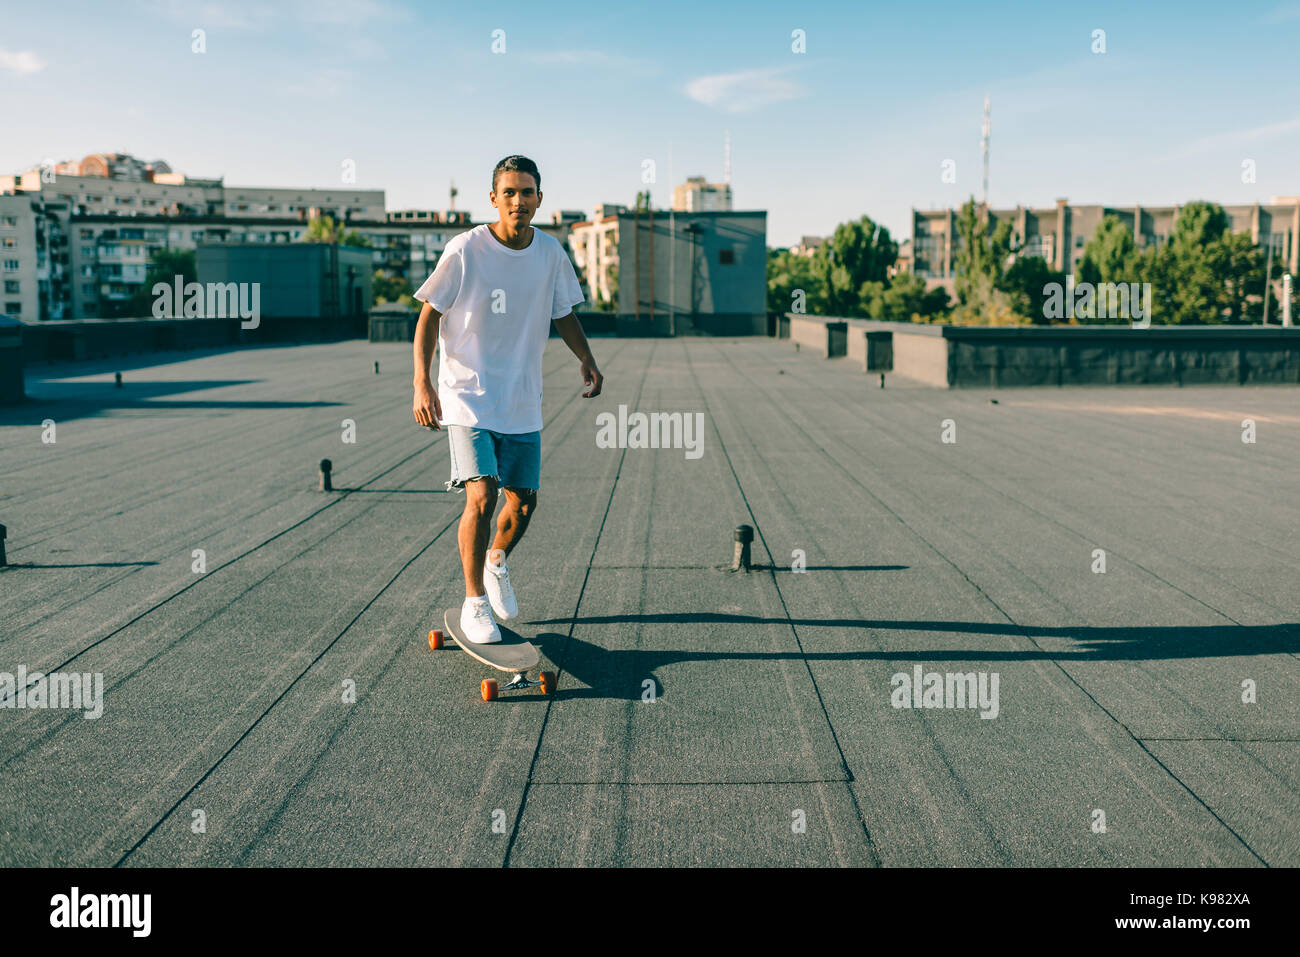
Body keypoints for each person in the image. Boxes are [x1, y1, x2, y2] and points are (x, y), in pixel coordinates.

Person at [412, 155, 603, 643]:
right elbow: (429, 316)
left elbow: (565, 314)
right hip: (468, 396)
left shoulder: (550, 254)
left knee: (523, 504)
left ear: (540, 198)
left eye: (528, 192)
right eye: (510, 192)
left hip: (521, 400)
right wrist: (422, 382)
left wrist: (586, 357)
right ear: (494, 198)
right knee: (482, 493)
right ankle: (475, 602)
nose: (519, 200)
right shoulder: (466, 250)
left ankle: (496, 561)